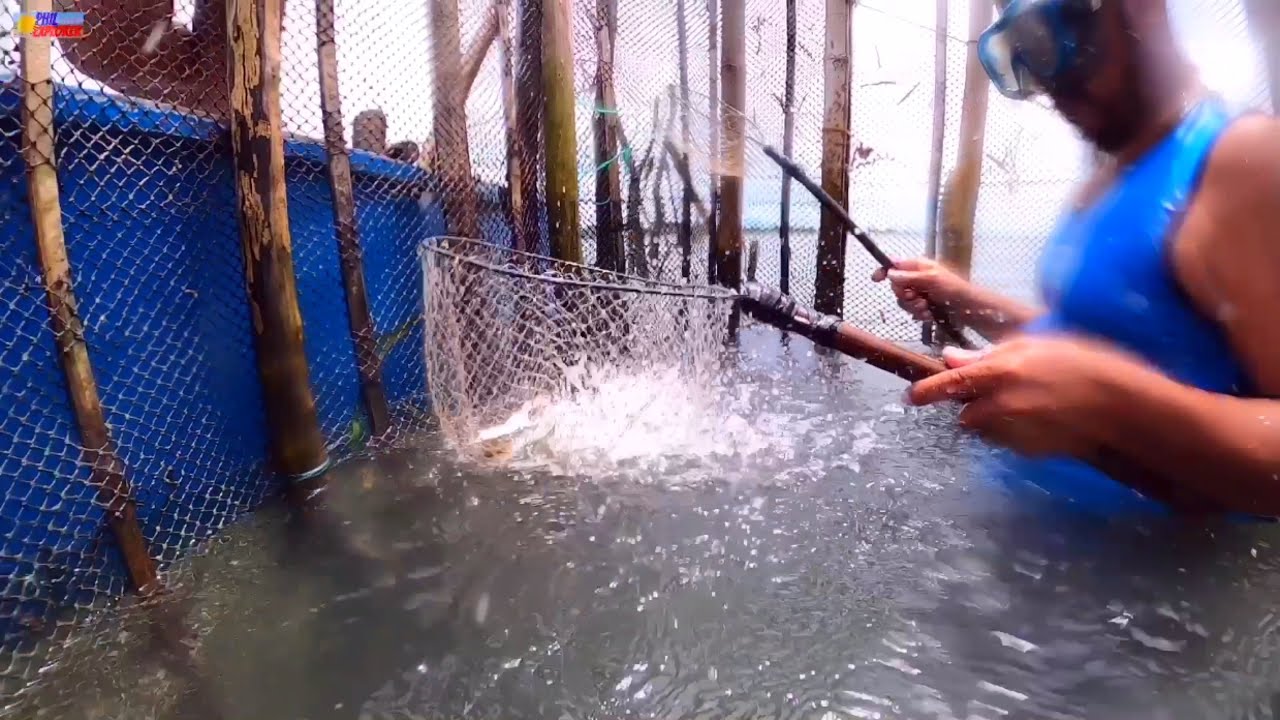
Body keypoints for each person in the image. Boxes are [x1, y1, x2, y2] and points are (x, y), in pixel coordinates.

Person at [873, 0, 1280, 516]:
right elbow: (1101, 340)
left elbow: (1094, 378)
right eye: (1025, 51)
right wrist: (964, 300)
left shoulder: (1245, 163)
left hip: (1145, 578)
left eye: (1062, 34)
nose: (1052, 83)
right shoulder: (1108, 180)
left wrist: (1111, 404)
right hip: (1028, 559)